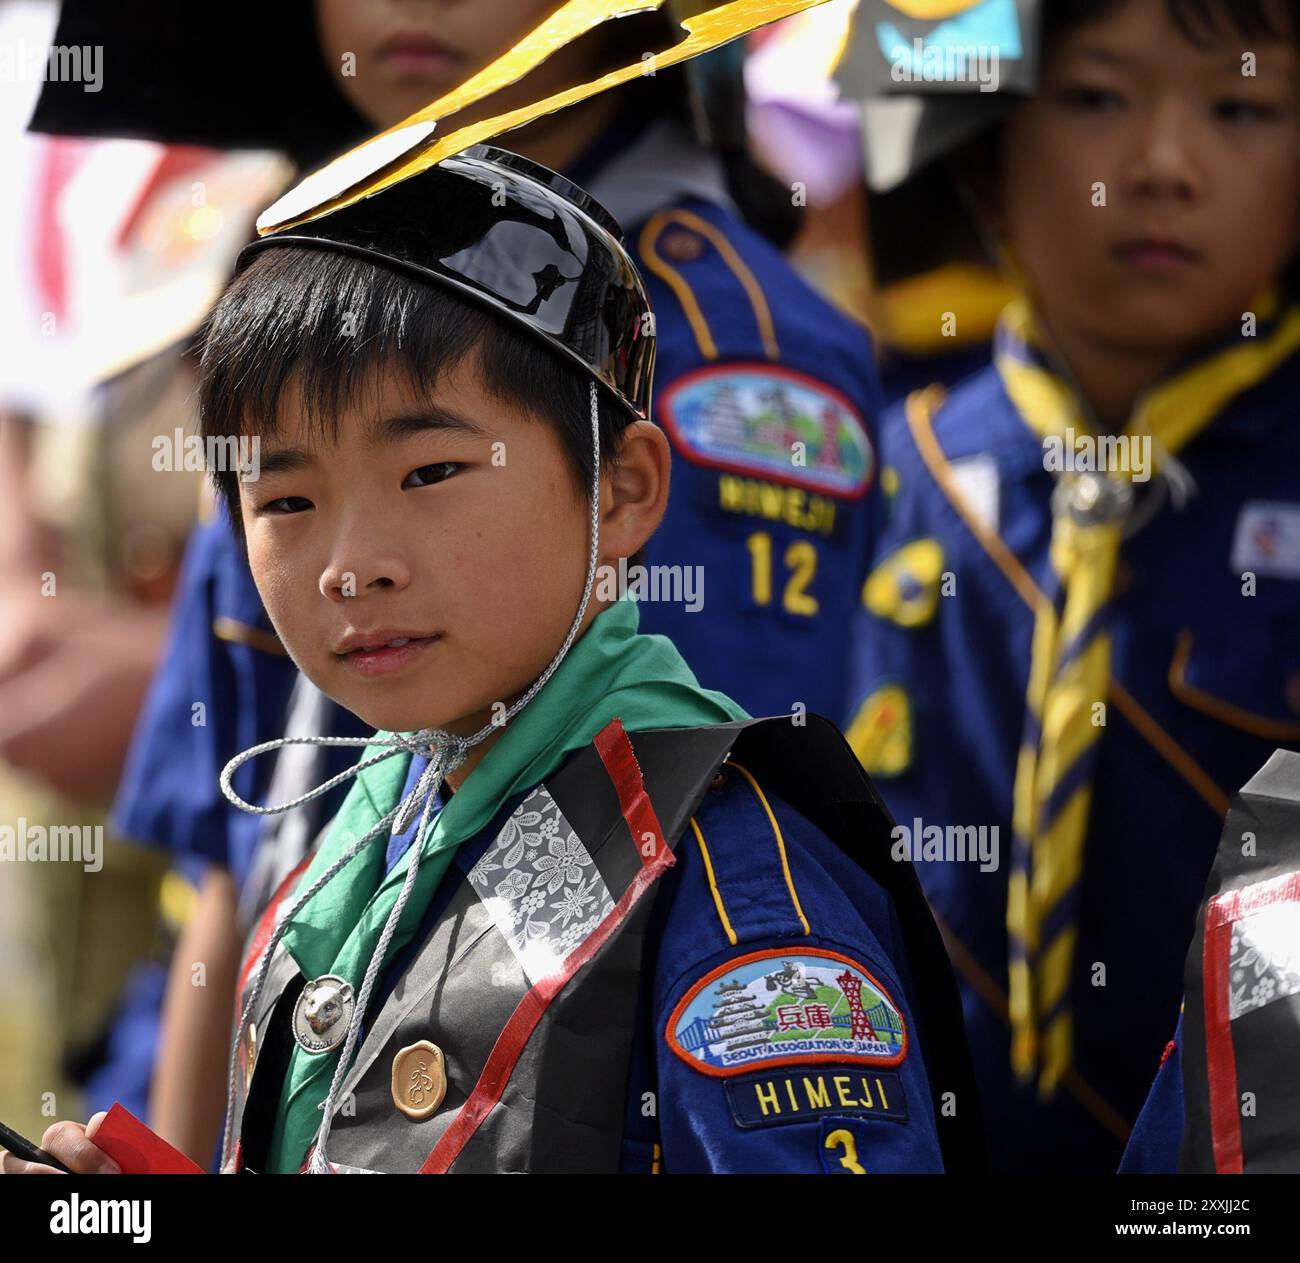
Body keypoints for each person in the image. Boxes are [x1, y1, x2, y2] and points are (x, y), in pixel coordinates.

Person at [3, 146, 975, 1175]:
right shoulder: (371, 828)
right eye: (287, 501)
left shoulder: (731, 891)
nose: (350, 567)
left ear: (626, 489)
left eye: (430, 471)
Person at [844, 0, 1300, 1172]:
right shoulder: (884, 473)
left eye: (1242, 107)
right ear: (982, 144)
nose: (1160, 168)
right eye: (1097, 97)